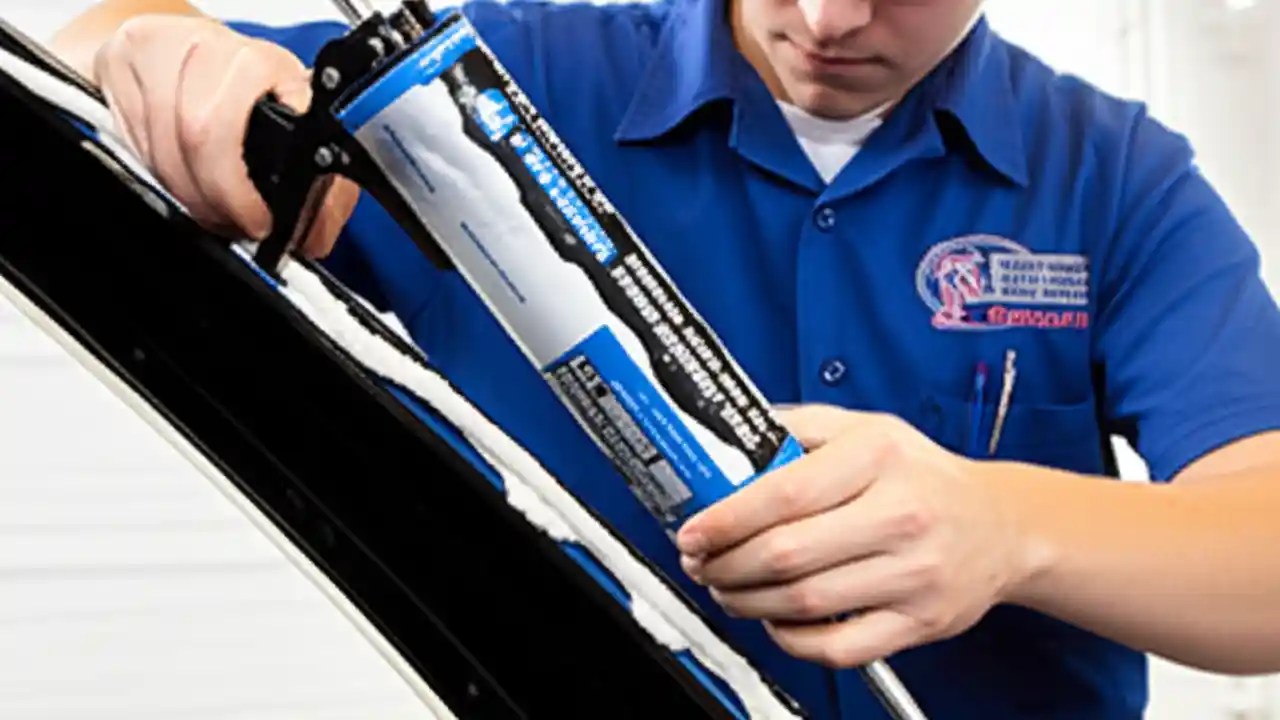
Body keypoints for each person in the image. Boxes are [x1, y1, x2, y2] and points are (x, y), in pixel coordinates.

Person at [49, 1, 1280, 717]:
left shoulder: (1116, 178)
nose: (827, 17)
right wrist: (156, 45)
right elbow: (126, 37)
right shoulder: (489, 86)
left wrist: (1009, 529)